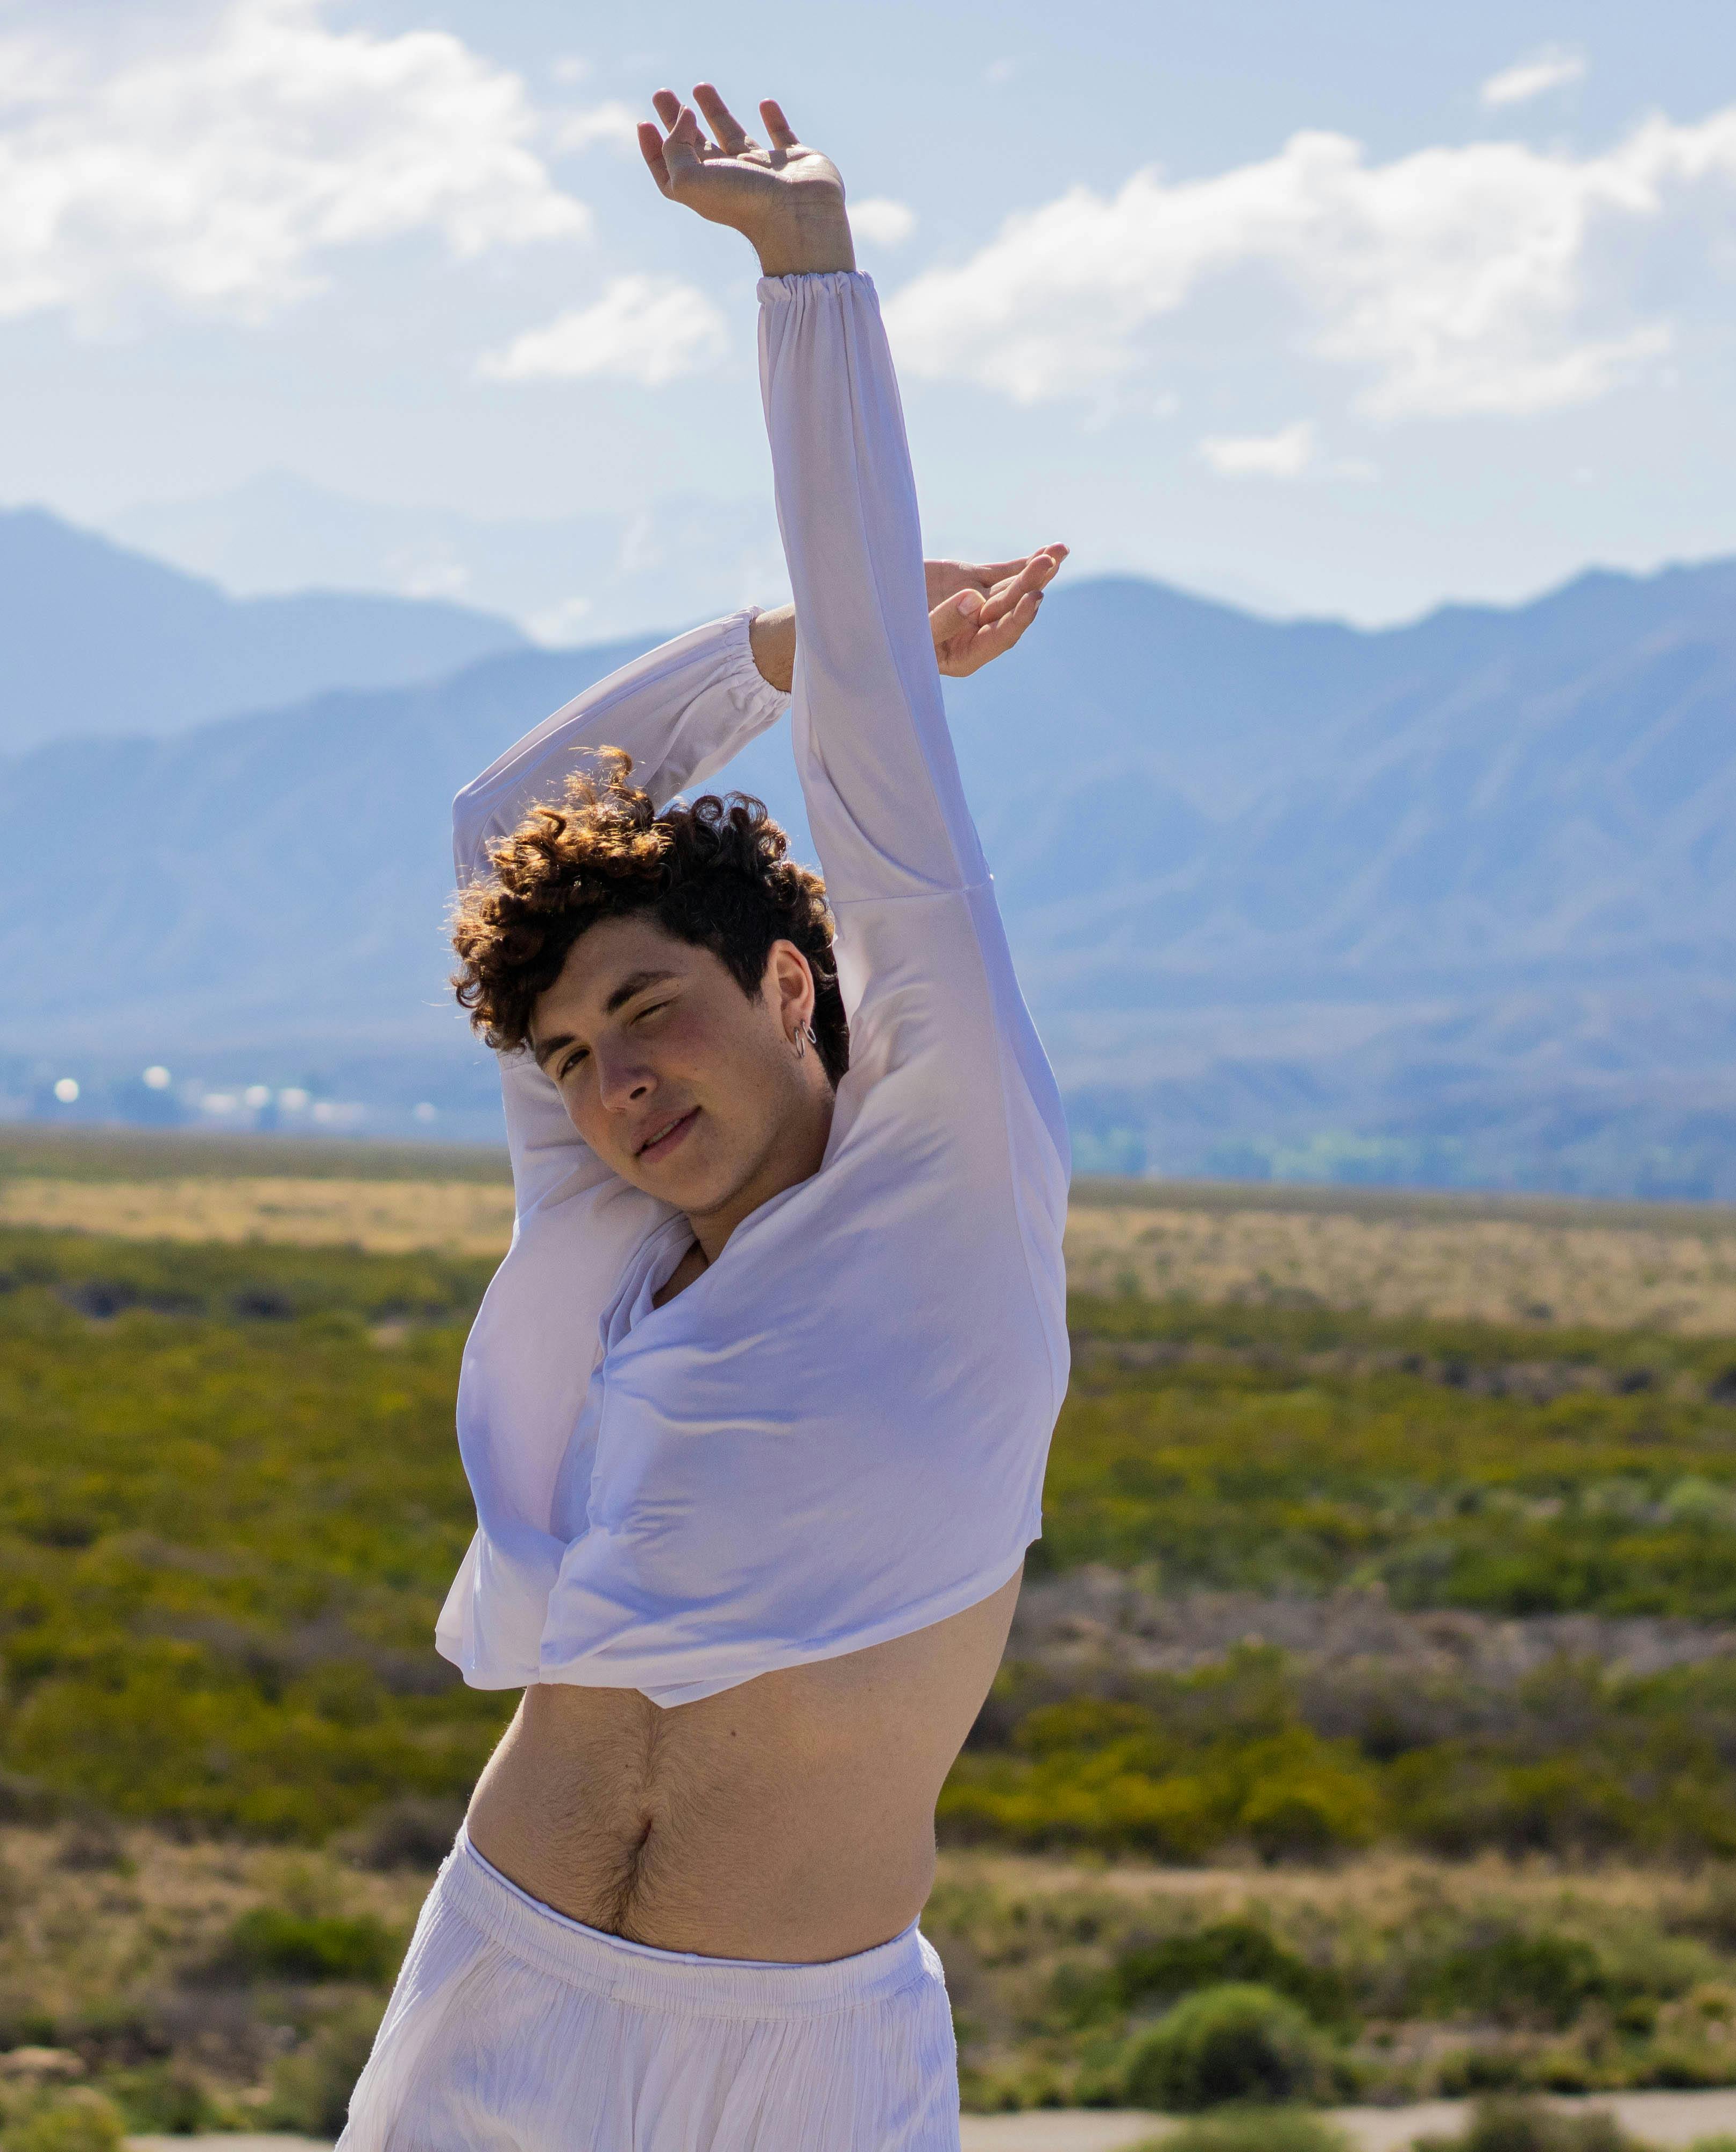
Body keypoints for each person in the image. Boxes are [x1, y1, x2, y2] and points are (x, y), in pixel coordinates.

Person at [336, 83, 1070, 2152]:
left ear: (792, 984)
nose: (611, 1086)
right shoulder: (619, 1227)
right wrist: (755, 650)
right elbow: (506, 826)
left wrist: (809, 276)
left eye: (649, 1014)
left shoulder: (957, 1170)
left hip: (803, 2064)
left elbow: (882, 758)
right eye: (568, 1056)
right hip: (503, 1991)